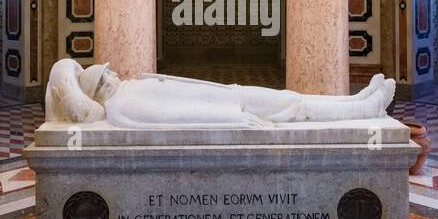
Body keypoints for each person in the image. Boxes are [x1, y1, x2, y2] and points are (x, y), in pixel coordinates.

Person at [44, 58, 396, 129]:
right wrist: (235, 118)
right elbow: (175, 117)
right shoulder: (123, 104)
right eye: (108, 75)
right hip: (230, 106)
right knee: (296, 108)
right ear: (102, 87)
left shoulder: (129, 89)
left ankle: (357, 101)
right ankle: (365, 110)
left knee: (293, 99)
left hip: (230, 95)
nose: (115, 73)